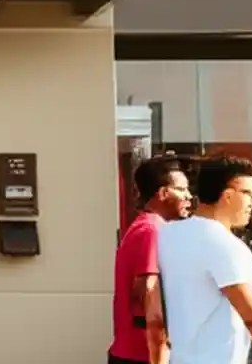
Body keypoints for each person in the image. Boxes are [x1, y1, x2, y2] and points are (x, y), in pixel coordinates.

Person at [151, 155, 252, 364]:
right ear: (227, 195)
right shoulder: (225, 245)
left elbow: (155, 315)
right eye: (248, 193)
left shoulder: (168, 235)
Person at [108, 155, 192, 364]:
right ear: (163, 193)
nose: (189, 196)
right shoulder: (152, 230)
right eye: (182, 189)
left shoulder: (148, 227)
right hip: (143, 354)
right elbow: (148, 294)